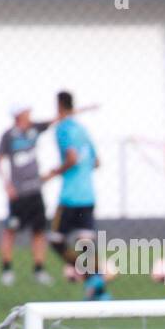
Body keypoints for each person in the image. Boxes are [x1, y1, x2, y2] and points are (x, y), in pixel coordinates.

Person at [42, 90, 109, 301]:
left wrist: (53, 173)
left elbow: (71, 157)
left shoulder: (63, 128)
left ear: (59, 105)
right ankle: (98, 286)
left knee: (55, 240)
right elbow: (96, 162)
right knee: (85, 241)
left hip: (70, 196)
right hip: (88, 194)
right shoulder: (82, 128)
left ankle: (90, 275)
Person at [0, 105, 55, 286]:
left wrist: (83, 109)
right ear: (19, 114)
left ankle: (39, 269)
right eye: (26, 111)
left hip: (35, 191)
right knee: (10, 230)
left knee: (39, 231)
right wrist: (7, 184)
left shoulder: (34, 129)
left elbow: (56, 119)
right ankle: (7, 270)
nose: (30, 114)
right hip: (18, 194)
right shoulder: (9, 135)